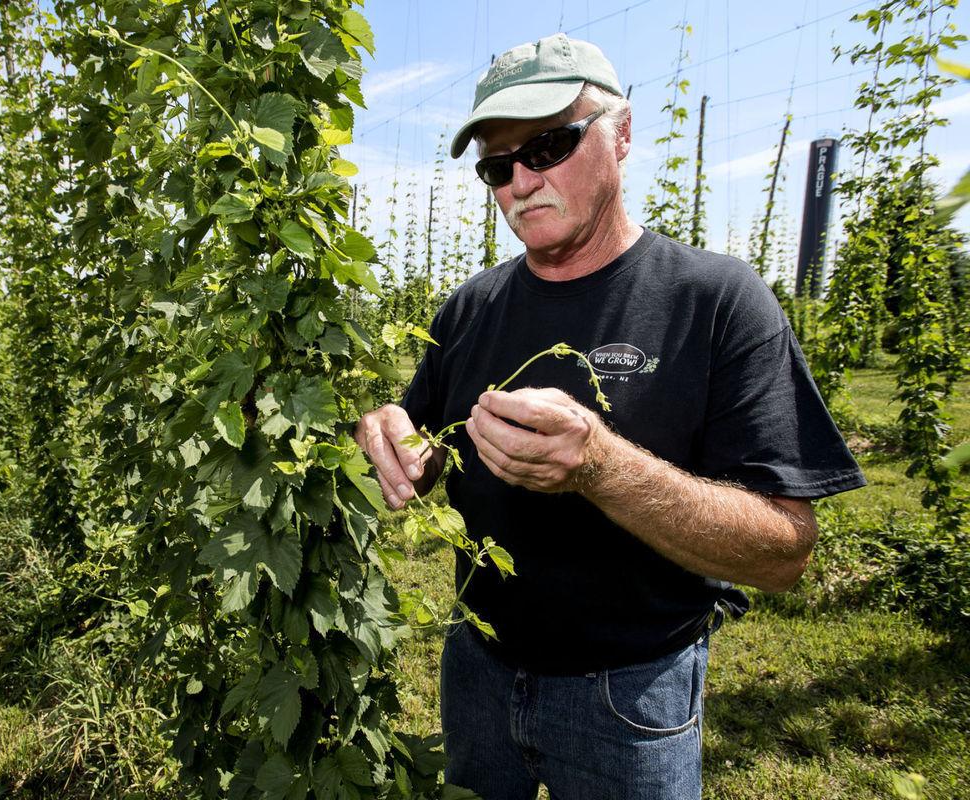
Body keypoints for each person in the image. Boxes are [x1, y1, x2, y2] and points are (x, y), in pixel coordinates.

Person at [354, 34, 865, 800]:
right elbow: (423, 447)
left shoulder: (716, 301)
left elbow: (783, 552)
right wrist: (390, 436)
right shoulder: (471, 307)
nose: (521, 182)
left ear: (622, 134)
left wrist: (601, 466)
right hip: (476, 668)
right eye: (497, 166)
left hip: (630, 694)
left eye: (549, 145)